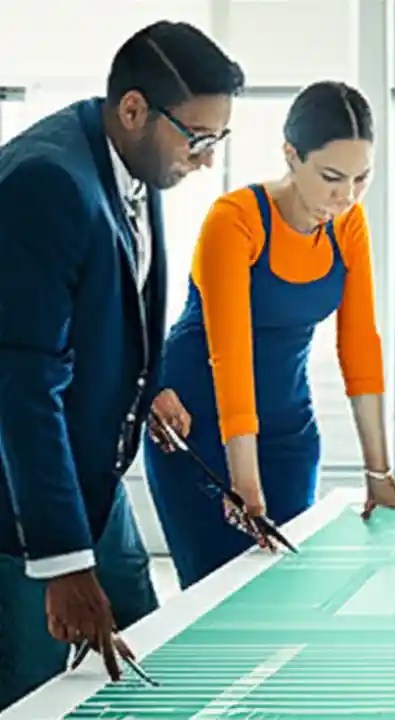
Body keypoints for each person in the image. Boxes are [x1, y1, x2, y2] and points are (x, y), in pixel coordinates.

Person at [0, 21, 243, 710]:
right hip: (22, 505)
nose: (204, 160)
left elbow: (106, 305)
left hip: (95, 479)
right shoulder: (45, 183)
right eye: (197, 139)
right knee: (35, 692)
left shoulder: (130, 161)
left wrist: (149, 386)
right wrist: (64, 562)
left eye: (217, 141)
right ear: (134, 109)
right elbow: (20, 380)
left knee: (139, 647)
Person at [145, 80, 395, 591]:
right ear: (291, 157)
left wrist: (379, 476)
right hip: (201, 426)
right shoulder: (235, 220)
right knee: (216, 598)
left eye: (363, 178)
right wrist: (244, 484)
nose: (345, 197)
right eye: (331, 178)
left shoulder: (348, 223)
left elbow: (359, 345)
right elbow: (230, 356)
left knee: (285, 590)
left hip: (289, 428)